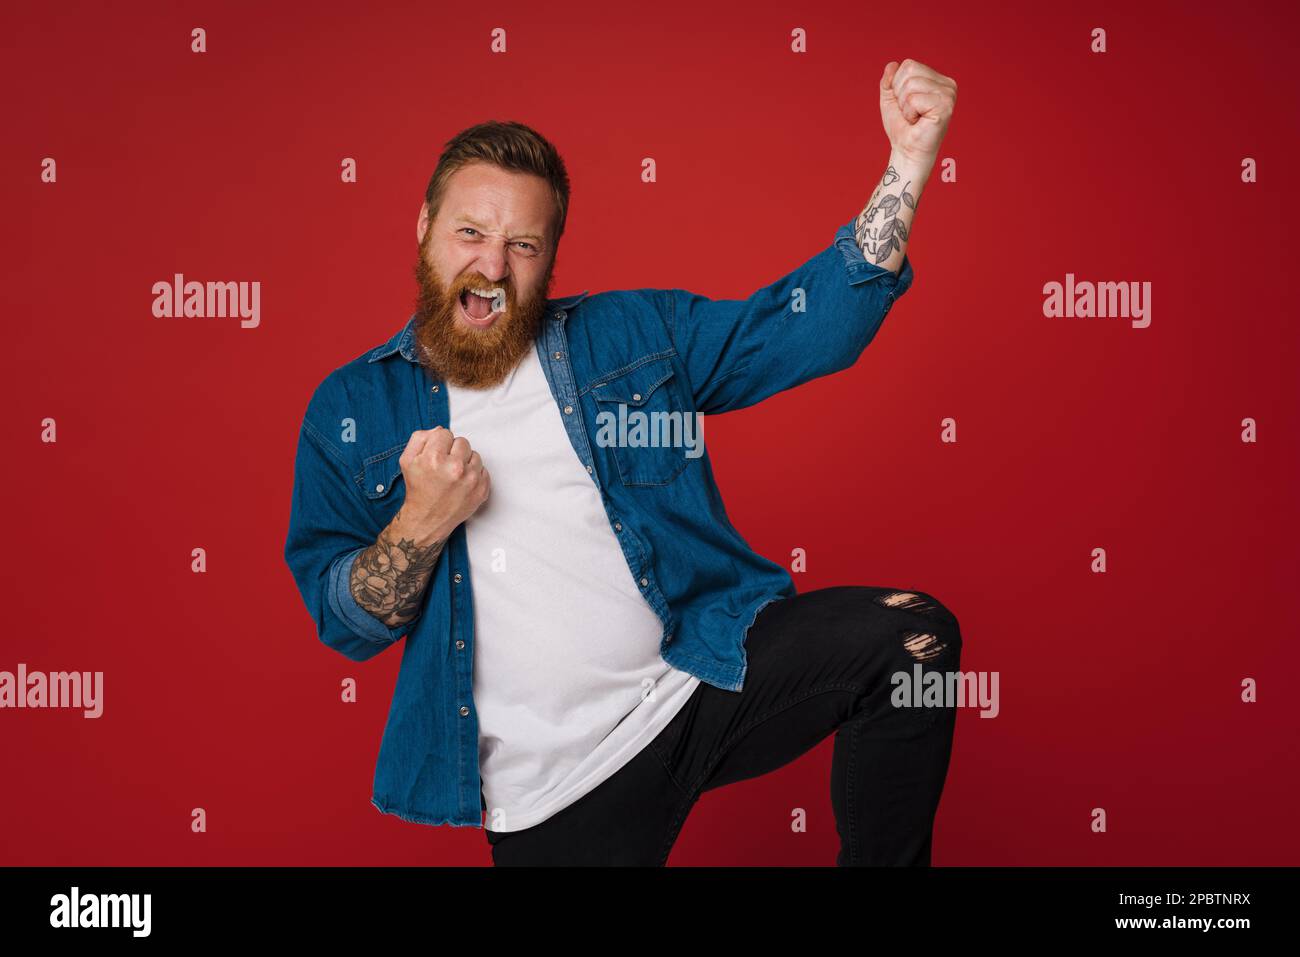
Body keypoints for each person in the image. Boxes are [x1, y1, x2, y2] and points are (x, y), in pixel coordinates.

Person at [284, 58, 960, 865]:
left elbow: (808, 330)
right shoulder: (352, 409)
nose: (493, 267)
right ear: (424, 225)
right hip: (558, 788)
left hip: (699, 680)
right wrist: (422, 520)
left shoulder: (633, 336)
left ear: (551, 258)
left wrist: (909, 162)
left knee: (912, 641)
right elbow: (344, 622)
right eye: (471, 232)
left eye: (522, 244)